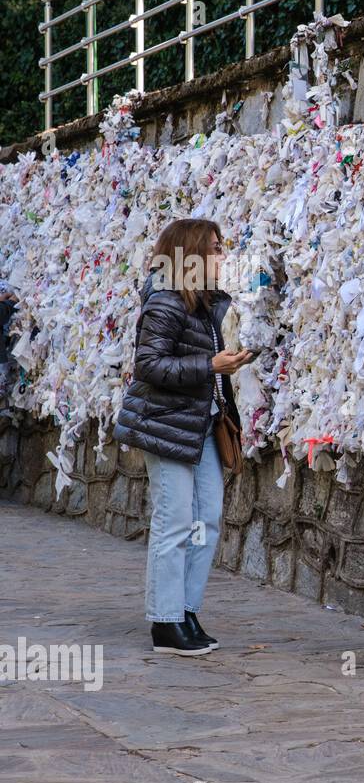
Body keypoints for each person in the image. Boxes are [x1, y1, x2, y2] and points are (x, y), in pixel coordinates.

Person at [113, 219, 253, 656]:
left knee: (206, 521)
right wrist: (212, 366)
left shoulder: (204, 305)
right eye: (213, 248)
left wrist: (225, 368)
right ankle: (165, 622)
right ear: (189, 254)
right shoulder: (166, 303)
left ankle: (187, 611)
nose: (221, 256)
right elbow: (150, 366)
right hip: (167, 424)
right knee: (174, 522)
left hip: (201, 424)